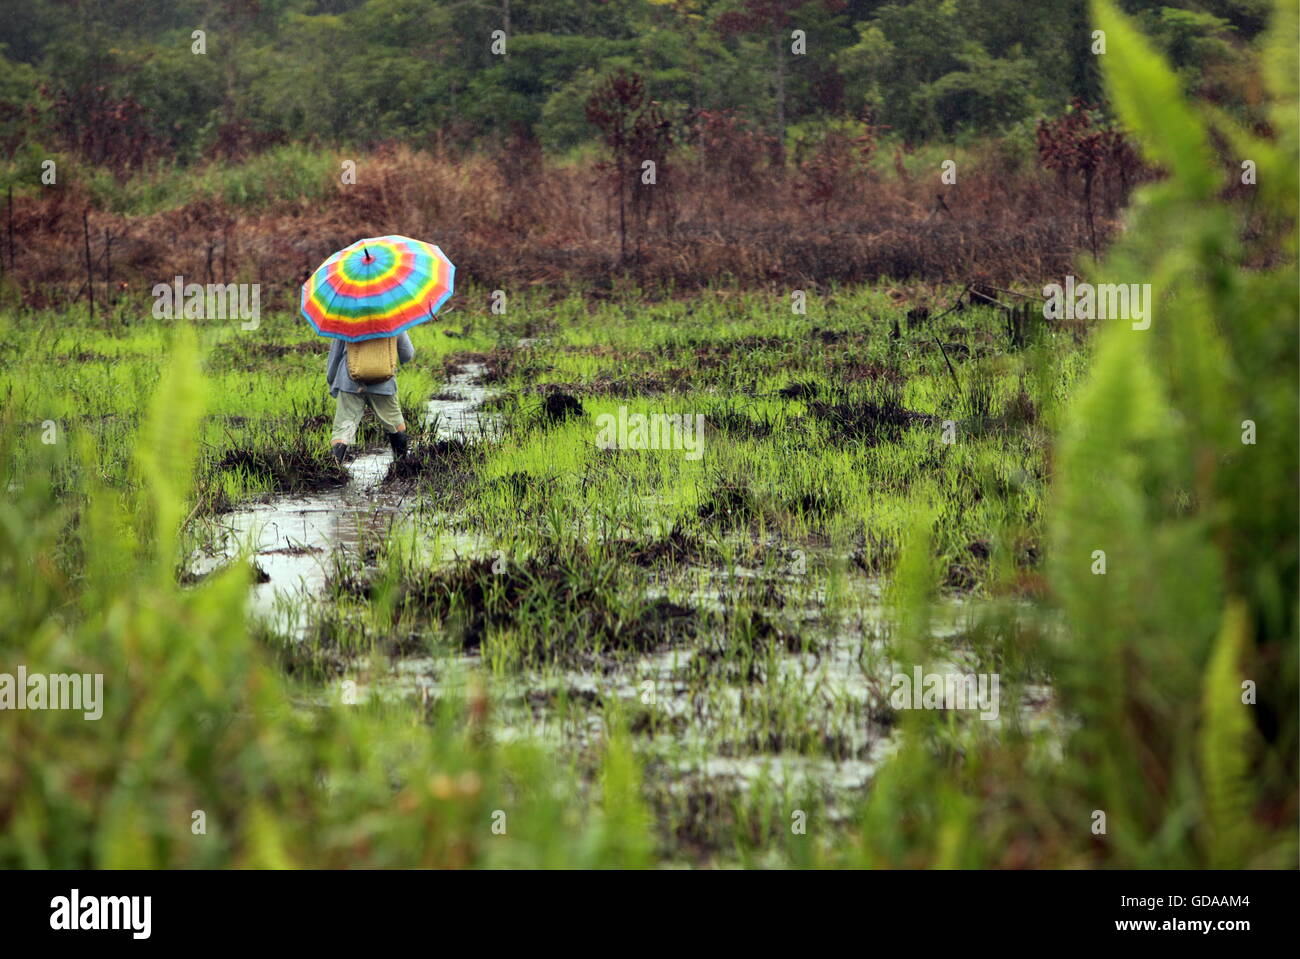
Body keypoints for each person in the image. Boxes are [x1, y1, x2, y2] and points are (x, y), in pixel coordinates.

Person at [325, 331, 414, 463]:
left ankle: (333, 472)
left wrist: (332, 380)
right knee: (395, 423)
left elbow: (335, 356)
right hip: (383, 384)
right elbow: (407, 354)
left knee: (343, 429)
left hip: (350, 383)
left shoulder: (348, 319)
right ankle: (402, 467)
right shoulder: (391, 319)